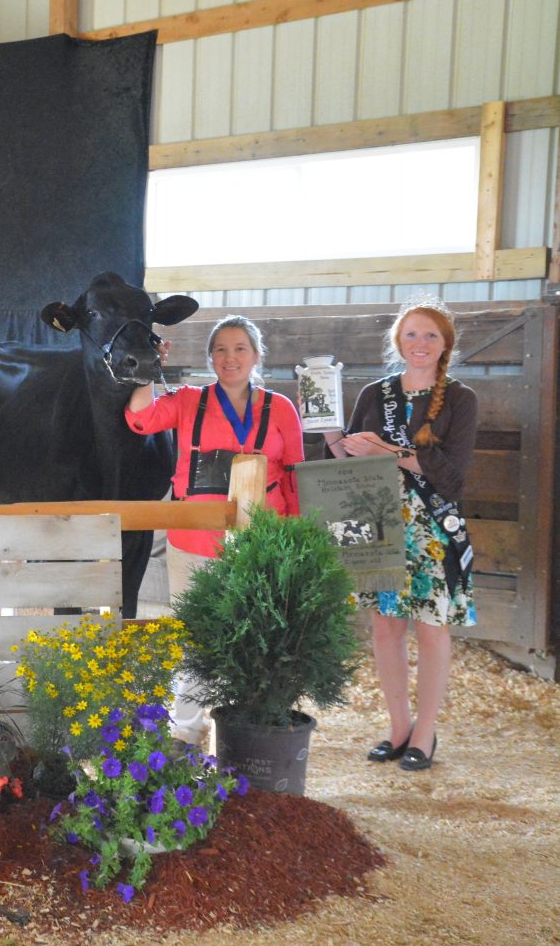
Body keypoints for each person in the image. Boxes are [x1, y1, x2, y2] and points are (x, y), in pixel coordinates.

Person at [123, 315, 305, 747]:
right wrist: (149, 368)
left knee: (259, 634)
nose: (230, 357)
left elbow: (295, 476)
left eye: (240, 348)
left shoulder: (280, 407)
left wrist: (296, 542)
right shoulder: (188, 401)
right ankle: (185, 733)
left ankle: (249, 734)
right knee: (196, 638)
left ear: (256, 356)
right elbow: (140, 419)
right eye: (221, 349)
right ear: (210, 357)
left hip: (263, 541)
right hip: (196, 541)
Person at [323, 299, 476, 772]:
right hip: (378, 519)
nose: (420, 344)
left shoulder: (460, 400)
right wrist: (328, 427)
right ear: (398, 341)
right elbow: (346, 463)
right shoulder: (375, 393)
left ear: (445, 343)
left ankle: (426, 732)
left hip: (432, 526)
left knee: (432, 628)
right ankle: (398, 726)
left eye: (430, 335)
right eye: (411, 335)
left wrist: (388, 449)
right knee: (385, 627)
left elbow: (451, 477)